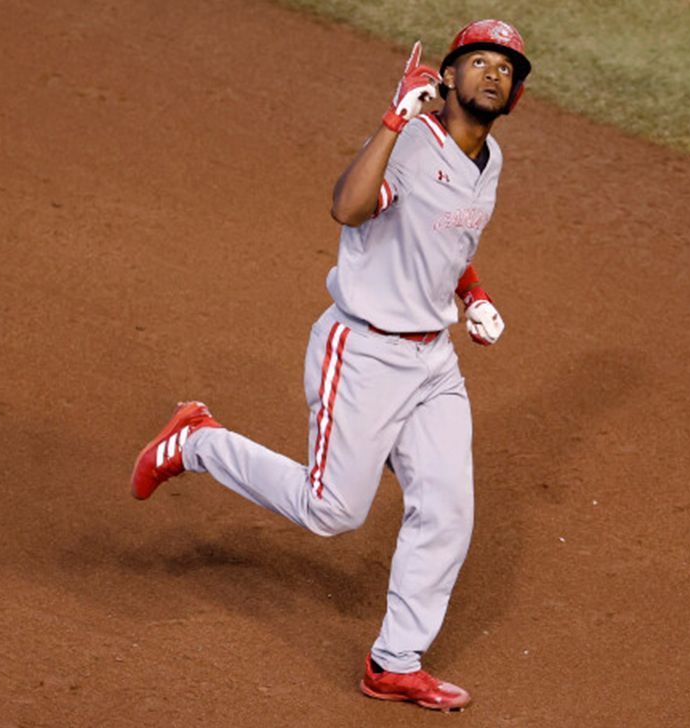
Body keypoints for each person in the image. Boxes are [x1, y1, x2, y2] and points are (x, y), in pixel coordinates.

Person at [130, 19, 532, 712]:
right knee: (331, 512)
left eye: (505, 67)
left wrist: (473, 295)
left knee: (446, 508)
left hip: (431, 363)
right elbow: (346, 208)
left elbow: (446, 243)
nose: (492, 73)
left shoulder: (488, 162)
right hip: (365, 351)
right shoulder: (408, 143)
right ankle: (197, 441)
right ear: (447, 76)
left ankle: (393, 661)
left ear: (515, 94)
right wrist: (388, 122)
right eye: (477, 61)